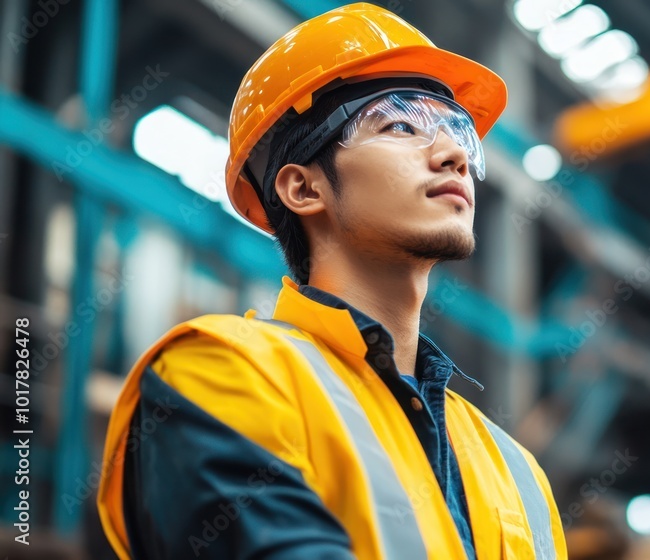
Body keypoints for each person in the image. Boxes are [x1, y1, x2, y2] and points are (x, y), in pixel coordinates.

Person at [96, 3, 567, 558]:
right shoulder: (217, 377)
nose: (454, 154)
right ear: (303, 189)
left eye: (458, 133)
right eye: (400, 126)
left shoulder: (519, 472)